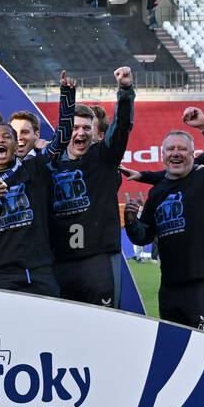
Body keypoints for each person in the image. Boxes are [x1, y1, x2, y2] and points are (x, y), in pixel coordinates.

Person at [0, 74, 75, 295]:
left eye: (7, 137)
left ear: (15, 144)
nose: (1, 140)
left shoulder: (33, 168)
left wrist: (67, 95)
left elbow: (61, 139)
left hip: (39, 272)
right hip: (1, 276)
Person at [123, 108, 204, 332]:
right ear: (163, 155)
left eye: (182, 149)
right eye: (171, 149)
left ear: (193, 154)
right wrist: (130, 220)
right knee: (173, 342)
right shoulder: (157, 191)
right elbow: (144, 235)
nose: (176, 153)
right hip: (170, 283)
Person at [48, 67, 135, 307]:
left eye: (87, 128)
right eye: (75, 128)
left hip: (98, 260)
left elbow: (121, 128)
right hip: (59, 261)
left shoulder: (103, 158)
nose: (81, 132)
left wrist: (125, 92)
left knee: (104, 329)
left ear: (95, 132)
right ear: (65, 132)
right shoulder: (49, 163)